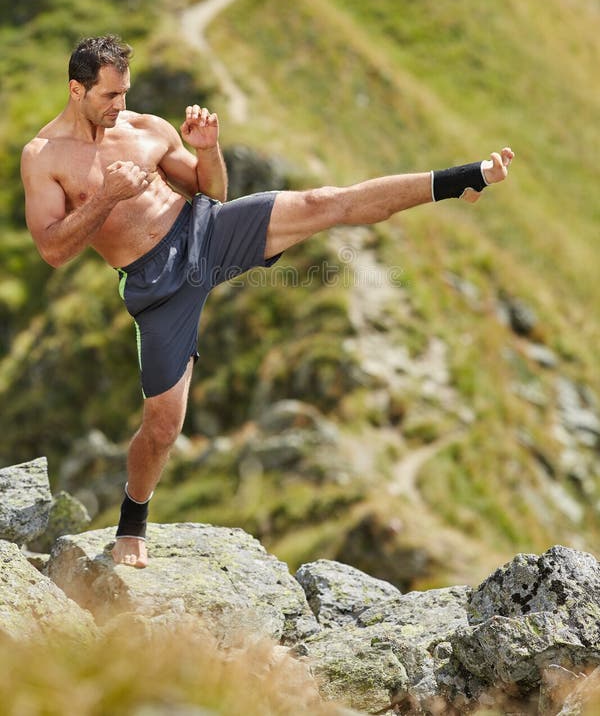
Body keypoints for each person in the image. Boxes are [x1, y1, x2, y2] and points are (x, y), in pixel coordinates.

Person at [21, 35, 514, 568]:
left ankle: (463, 180)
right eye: (109, 96)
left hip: (205, 231)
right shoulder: (44, 156)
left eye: (125, 93)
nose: (120, 106)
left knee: (327, 202)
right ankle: (132, 523)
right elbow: (53, 249)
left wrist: (208, 149)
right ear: (77, 89)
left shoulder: (148, 129)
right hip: (155, 283)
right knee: (163, 425)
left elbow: (213, 194)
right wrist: (108, 197)